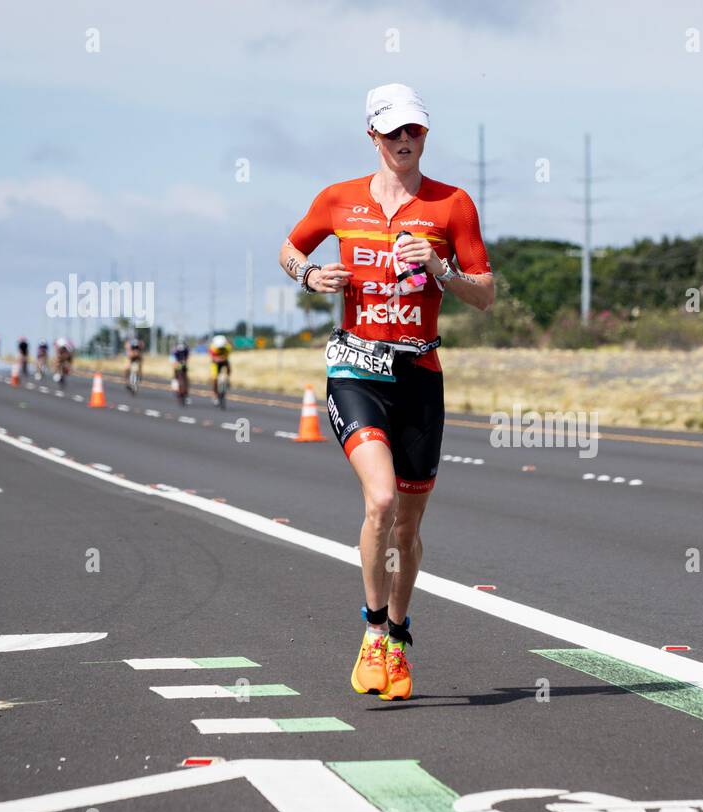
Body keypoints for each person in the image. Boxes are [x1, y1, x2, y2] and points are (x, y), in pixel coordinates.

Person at [280, 82, 494, 701]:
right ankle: (374, 630)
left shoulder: (452, 205)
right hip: (355, 368)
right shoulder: (338, 199)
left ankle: (398, 635)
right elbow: (290, 250)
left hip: (419, 376)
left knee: (408, 523)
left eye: (415, 131)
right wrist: (313, 274)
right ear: (372, 135)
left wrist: (440, 267)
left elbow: (484, 294)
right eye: (393, 131)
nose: (405, 141)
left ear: (425, 135)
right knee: (380, 501)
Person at [207, 334, 230, 403]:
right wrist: (218, 359)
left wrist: (223, 359)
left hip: (224, 361)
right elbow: (212, 356)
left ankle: (227, 380)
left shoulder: (228, 347)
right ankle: (215, 395)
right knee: (215, 379)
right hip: (215, 363)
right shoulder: (212, 348)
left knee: (229, 368)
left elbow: (227, 356)